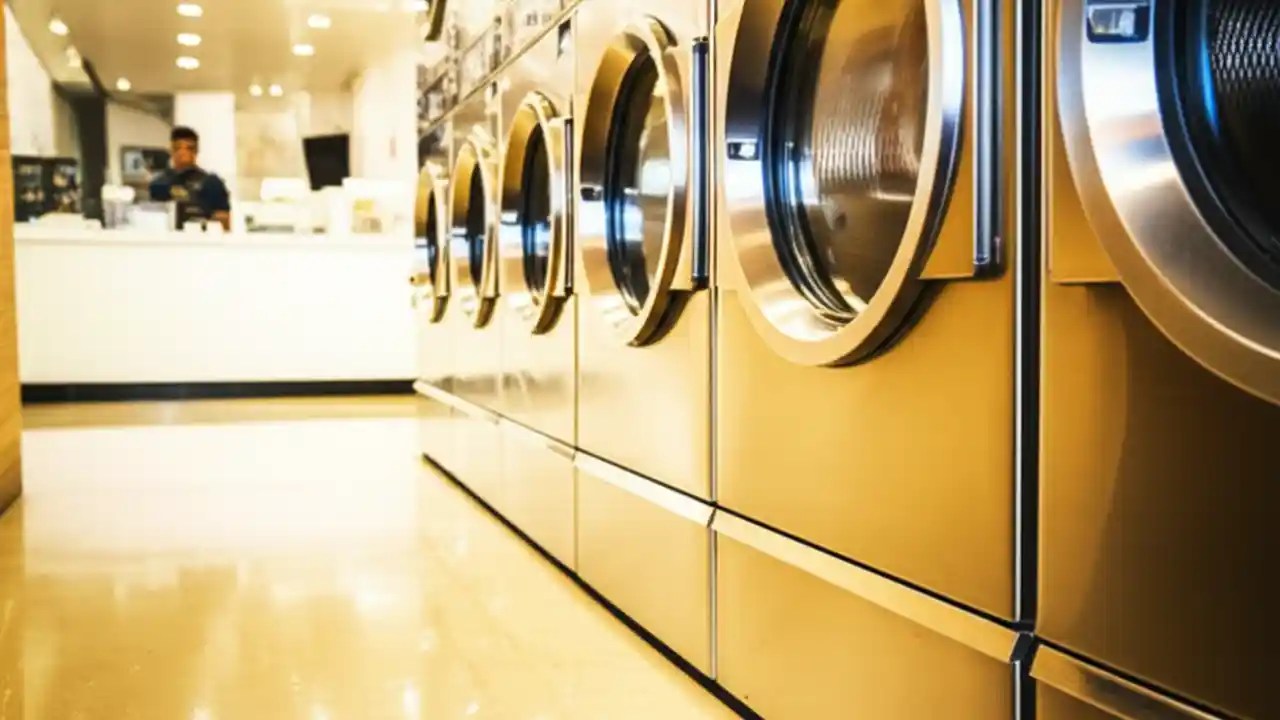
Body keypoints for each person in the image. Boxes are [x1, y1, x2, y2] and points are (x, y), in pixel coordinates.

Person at [149, 126, 232, 230]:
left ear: (196, 151)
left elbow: (224, 220)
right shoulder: (159, 183)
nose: (182, 153)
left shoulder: (212, 182)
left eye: (189, 148)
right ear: (171, 150)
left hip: (201, 240)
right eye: (177, 148)